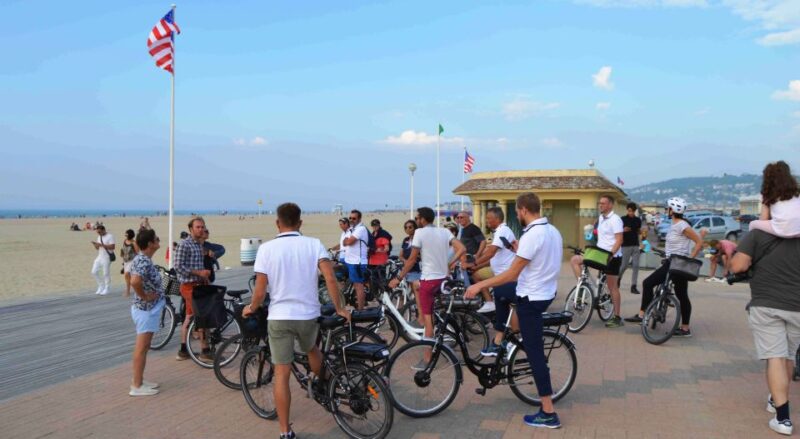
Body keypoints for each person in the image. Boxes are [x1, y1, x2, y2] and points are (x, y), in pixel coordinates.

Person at [243, 203, 349, 439]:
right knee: (311, 347)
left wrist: (250, 308)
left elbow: (259, 293)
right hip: (308, 315)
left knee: (281, 374)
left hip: (279, 317)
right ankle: (323, 383)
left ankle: (285, 431)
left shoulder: (266, 249)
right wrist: (340, 308)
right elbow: (330, 278)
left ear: (277, 223)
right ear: (300, 223)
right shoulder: (313, 244)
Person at [464, 192, 564, 429]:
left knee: (535, 355)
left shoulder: (532, 234)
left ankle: (548, 412)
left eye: (517, 212)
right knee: (501, 293)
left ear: (522, 210)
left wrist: (479, 284)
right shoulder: (553, 231)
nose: (517, 215)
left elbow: (511, 273)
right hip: (544, 291)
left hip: (532, 298)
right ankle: (504, 335)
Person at [731, 228, 800, 436]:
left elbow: (738, 266)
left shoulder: (758, 234)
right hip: (798, 307)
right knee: (788, 356)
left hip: (767, 304)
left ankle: (783, 418)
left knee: (775, 357)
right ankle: (775, 397)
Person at [389, 207, 466, 364]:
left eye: (417, 218)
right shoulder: (444, 232)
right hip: (444, 279)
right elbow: (462, 249)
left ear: (423, 219)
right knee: (417, 286)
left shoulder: (420, 233)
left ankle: (427, 359)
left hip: (429, 281)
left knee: (428, 324)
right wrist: (450, 264)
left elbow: (411, 260)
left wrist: (398, 277)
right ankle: (425, 319)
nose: (416, 221)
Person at [624, 197, 703, 337]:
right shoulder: (677, 224)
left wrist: (690, 258)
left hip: (674, 263)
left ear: (672, 210)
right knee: (682, 295)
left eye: (668, 208)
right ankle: (685, 329)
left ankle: (642, 315)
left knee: (647, 283)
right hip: (676, 263)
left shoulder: (682, 225)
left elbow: (698, 241)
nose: (667, 210)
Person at [470, 207, 518, 357]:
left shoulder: (503, 231)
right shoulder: (499, 232)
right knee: (507, 309)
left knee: (511, 308)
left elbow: (490, 253)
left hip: (506, 277)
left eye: (489, 218)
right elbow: (492, 258)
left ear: (497, 219)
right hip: (501, 275)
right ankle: (502, 341)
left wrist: (473, 262)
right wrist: (476, 266)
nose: (487, 221)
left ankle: (514, 341)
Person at [127, 229, 165, 397]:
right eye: (156, 239)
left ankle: (140, 379)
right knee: (141, 348)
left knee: (145, 346)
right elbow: (135, 280)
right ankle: (136, 385)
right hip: (145, 310)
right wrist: (145, 296)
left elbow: (129, 275)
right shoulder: (143, 260)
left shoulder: (142, 259)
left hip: (145, 309)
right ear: (150, 243)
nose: (158, 240)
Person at [173, 217, 212, 361]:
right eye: (198, 227)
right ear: (191, 229)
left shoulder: (197, 245)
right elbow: (178, 266)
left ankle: (183, 351)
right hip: (189, 286)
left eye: (202, 227)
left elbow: (196, 265)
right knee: (201, 316)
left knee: (189, 317)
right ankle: (205, 351)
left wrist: (204, 276)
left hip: (199, 285)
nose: (201, 229)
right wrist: (199, 273)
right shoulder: (185, 244)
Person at [748, 161, 800, 238]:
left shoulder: (768, 194)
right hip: (798, 229)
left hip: (782, 230)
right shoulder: (796, 191)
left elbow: (764, 219)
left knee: (752, 224)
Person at [596, 195, 625, 328]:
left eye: (603, 203)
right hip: (600, 255)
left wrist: (611, 254)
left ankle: (617, 317)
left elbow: (619, 240)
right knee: (576, 260)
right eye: (599, 203)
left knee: (612, 287)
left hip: (612, 257)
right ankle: (585, 291)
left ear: (610, 205)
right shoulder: (601, 217)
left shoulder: (615, 219)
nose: (600, 205)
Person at [455, 211, 492, 312]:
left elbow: (483, 242)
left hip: (471, 260)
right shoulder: (462, 230)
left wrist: (477, 255)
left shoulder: (473, 228)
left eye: (462, 217)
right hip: (464, 260)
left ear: (468, 218)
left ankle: (487, 300)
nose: (459, 219)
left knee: (475, 277)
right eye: (458, 218)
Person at [342, 210, 369, 309]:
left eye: (354, 218)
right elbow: (345, 242)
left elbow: (348, 242)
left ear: (359, 219)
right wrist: (347, 241)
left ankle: (361, 309)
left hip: (357, 262)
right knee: (355, 285)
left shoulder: (361, 229)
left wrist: (347, 241)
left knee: (359, 286)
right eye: (350, 218)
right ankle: (358, 306)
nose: (351, 220)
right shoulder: (352, 229)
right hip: (351, 261)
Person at [399, 219, 422, 322]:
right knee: (408, 292)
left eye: (410, 227)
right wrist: (405, 261)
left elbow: (420, 255)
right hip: (407, 268)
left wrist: (412, 260)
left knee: (416, 292)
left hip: (416, 269)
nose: (408, 229)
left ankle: (420, 314)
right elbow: (401, 255)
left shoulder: (418, 240)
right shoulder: (405, 240)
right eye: (406, 227)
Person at [619, 202, 642, 294]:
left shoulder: (638, 220)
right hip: (625, 245)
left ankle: (633, 286)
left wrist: (642, 235)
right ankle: (618, 278)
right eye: (629, 211)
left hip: (635, 245)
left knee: (636, 266)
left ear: (635, 211)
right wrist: (623, 230)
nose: (630, 213)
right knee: (624, 265)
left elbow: (638, 231)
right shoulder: (622, 219)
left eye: (632, 211)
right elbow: (617, 231)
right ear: (627, 210)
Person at [90, 224, 115, 296]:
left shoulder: (110, 236)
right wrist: (95, 245)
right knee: (94, 272)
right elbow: (98, 248)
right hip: (100, 256)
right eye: (98, 232)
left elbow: (113, 247)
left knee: (105, 273)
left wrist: (101, 245)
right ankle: (101, 286)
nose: (99, 233)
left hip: (107, 257)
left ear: (104, 230)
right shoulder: (99, 237)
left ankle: (107, 288)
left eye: (100, 232)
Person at [120, 229, 138, 297]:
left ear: (130, 235)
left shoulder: (134, 243)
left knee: (127, 274)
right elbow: (123, 249)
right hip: (125, 261)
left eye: (126, 234)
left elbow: (137, 253)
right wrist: (122, 256)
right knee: (127, 276)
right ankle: (129, 290)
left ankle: (128, 291)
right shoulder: (125, 241)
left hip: (132, 261)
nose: (125, 235)